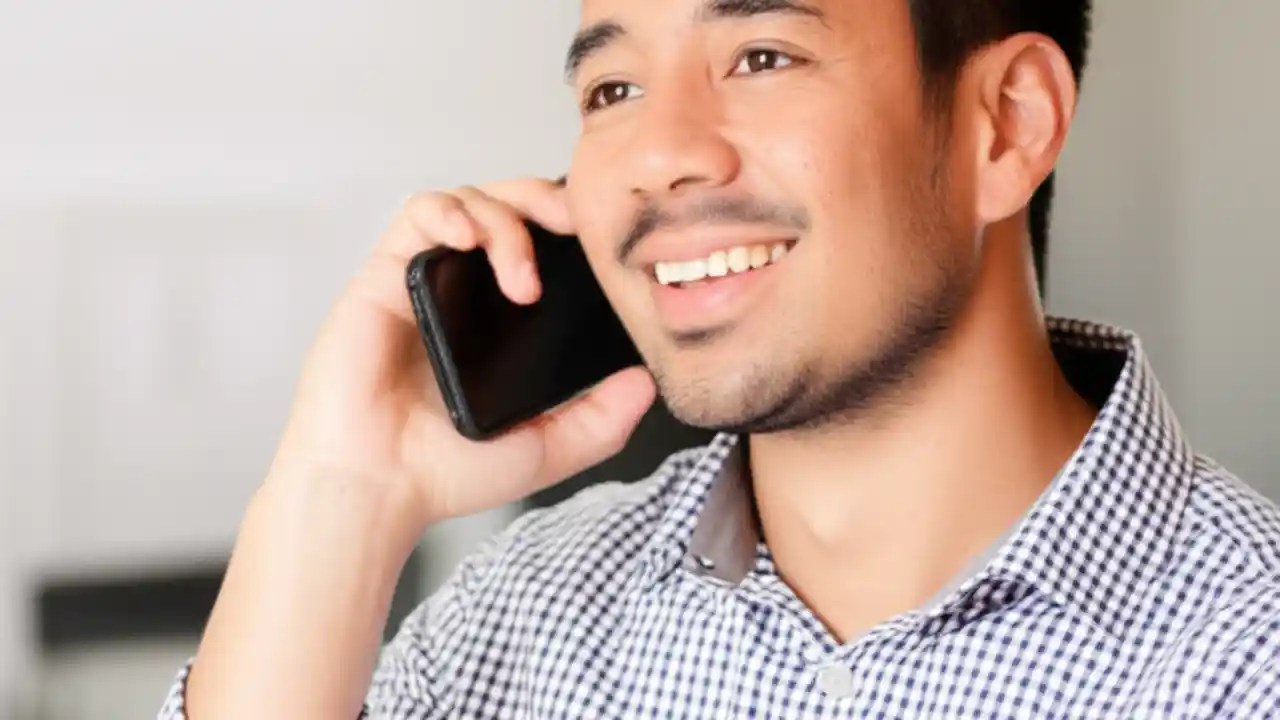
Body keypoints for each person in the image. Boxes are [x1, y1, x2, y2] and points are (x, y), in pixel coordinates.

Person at [160, 1, 1280, 717]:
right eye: (612, 91)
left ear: (1007, 124)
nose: (655, 157)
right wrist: (343, 492)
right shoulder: (527, 611)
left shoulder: (1246, 656)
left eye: (760, 55)